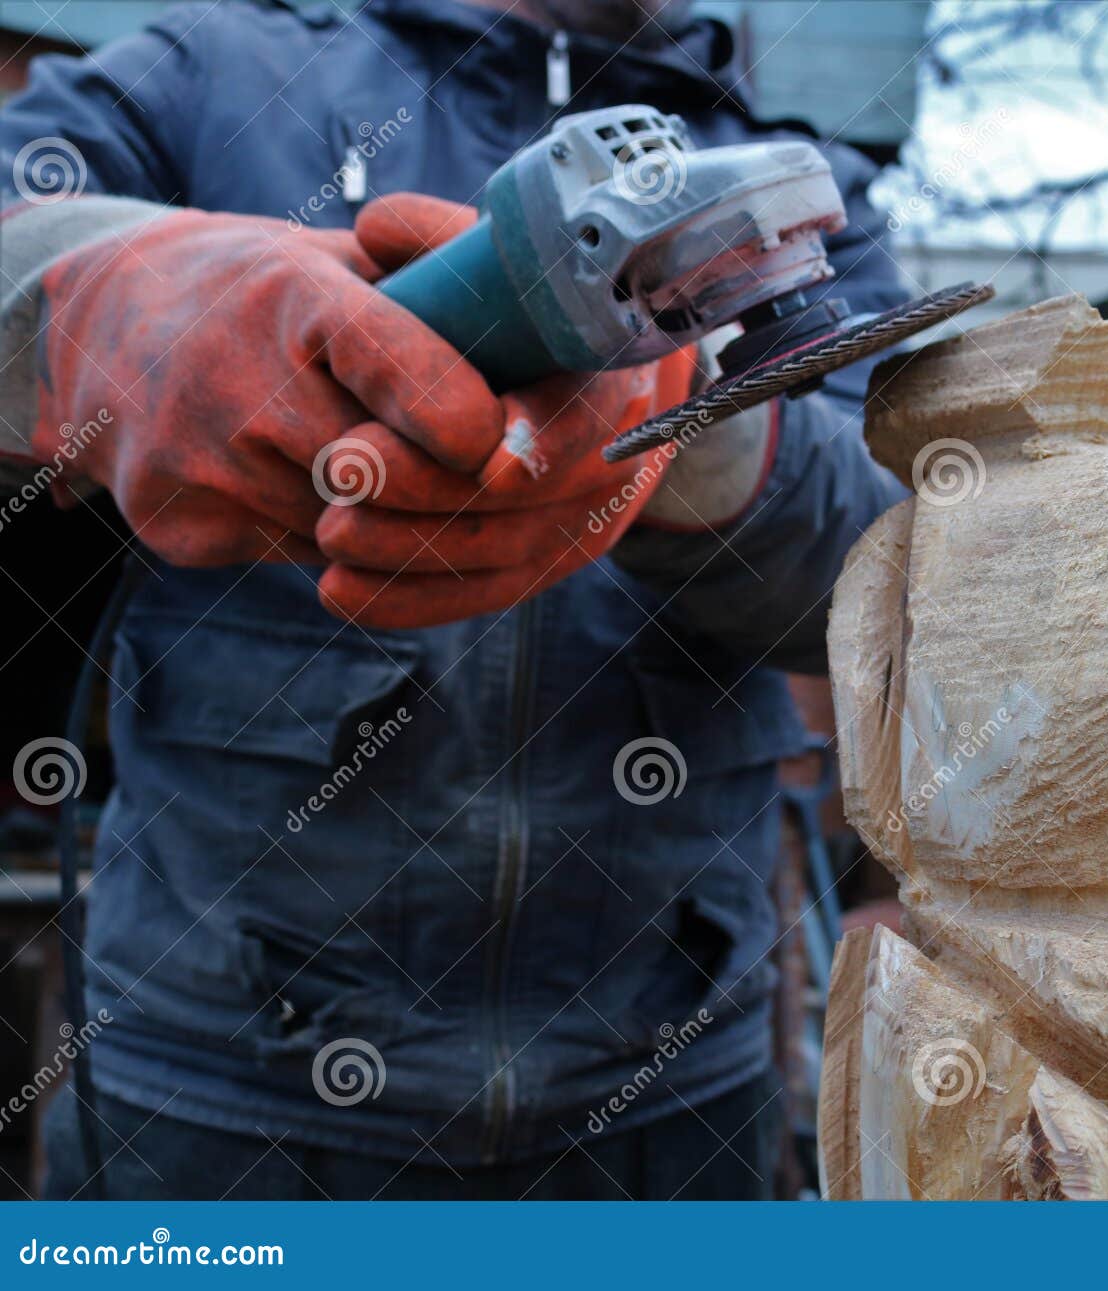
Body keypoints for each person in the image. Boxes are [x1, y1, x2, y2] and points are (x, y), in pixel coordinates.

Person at [0, 0, 905, 1200]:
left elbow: (903, 583)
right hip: (218, 1083)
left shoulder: (794, 182)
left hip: (672, 1085)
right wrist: (102, 300)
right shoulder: (211, 76)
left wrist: (697, 435)